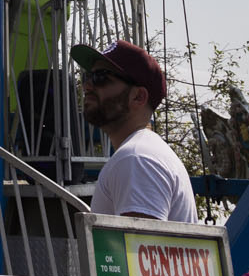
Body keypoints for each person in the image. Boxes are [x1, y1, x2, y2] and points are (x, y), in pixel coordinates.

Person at [74, 39, 196, 222]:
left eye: (100, 77)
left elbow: (139, 249)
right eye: (87, 77)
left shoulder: (136, 160)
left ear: (138, 97)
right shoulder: (141, 153)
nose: (87, 86)